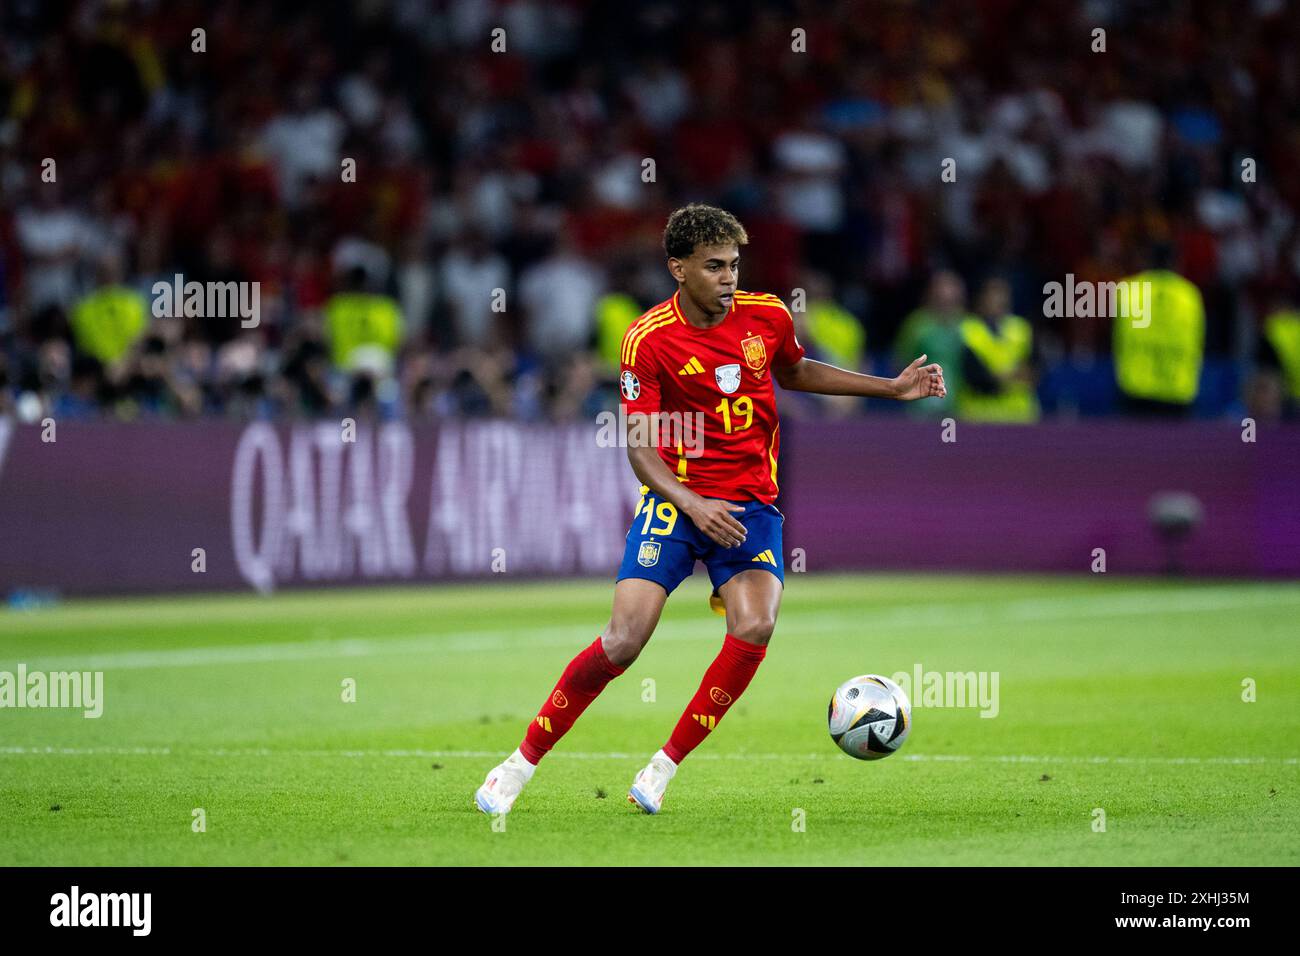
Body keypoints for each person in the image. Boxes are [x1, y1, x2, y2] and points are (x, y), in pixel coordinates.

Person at [473, 204, 945, 816]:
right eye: (715, 266)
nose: (729, 278)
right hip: (676, 503)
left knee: (755, 626)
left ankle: (663, 767)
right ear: (679, 269)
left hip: (751, 507)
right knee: (624, 640)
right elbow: (640, 451)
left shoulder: (766, 316)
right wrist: (694, 505)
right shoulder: (647, 340)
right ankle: (517, 766)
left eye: (734, 265)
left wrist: (889, 389)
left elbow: (795, 370)